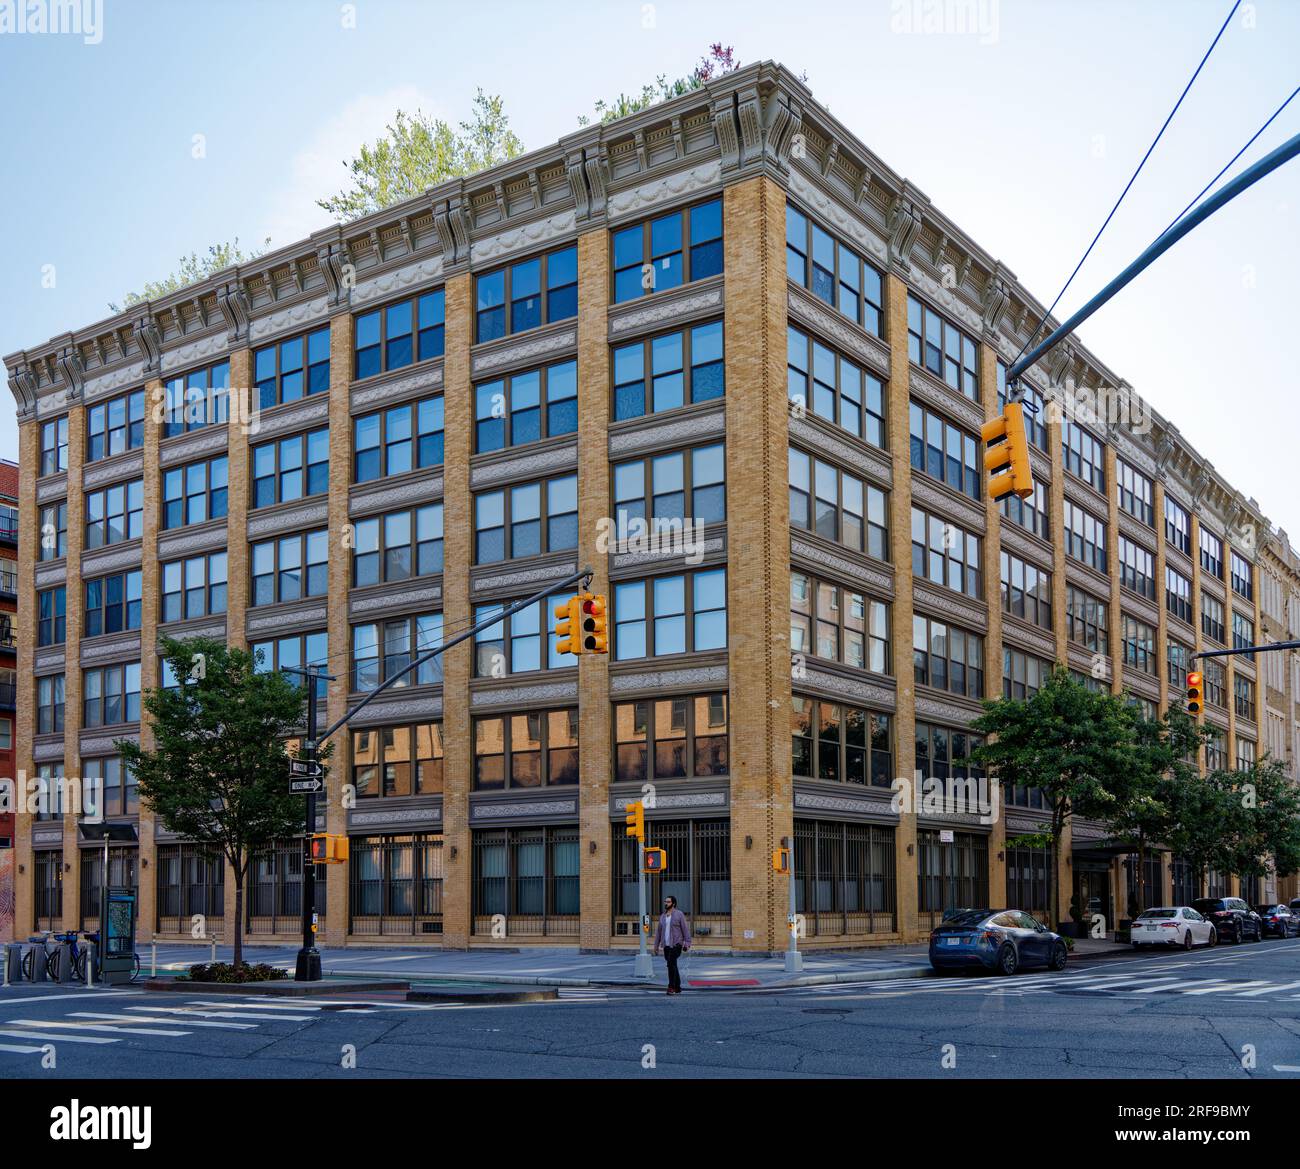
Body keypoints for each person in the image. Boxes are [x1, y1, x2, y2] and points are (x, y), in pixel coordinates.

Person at [652, 895, 692, 994]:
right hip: (666, 945)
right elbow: (658, 932)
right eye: (665, 901)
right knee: (673, 965)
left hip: (676, 944)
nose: (666, 903)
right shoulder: (662, 916)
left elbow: (685, 929)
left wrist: (687, 943)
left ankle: (671, 987)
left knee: (670, 964)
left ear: (673, 903)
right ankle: (678, 987)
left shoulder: (679, 914)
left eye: (668, 902)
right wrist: (656, 946)